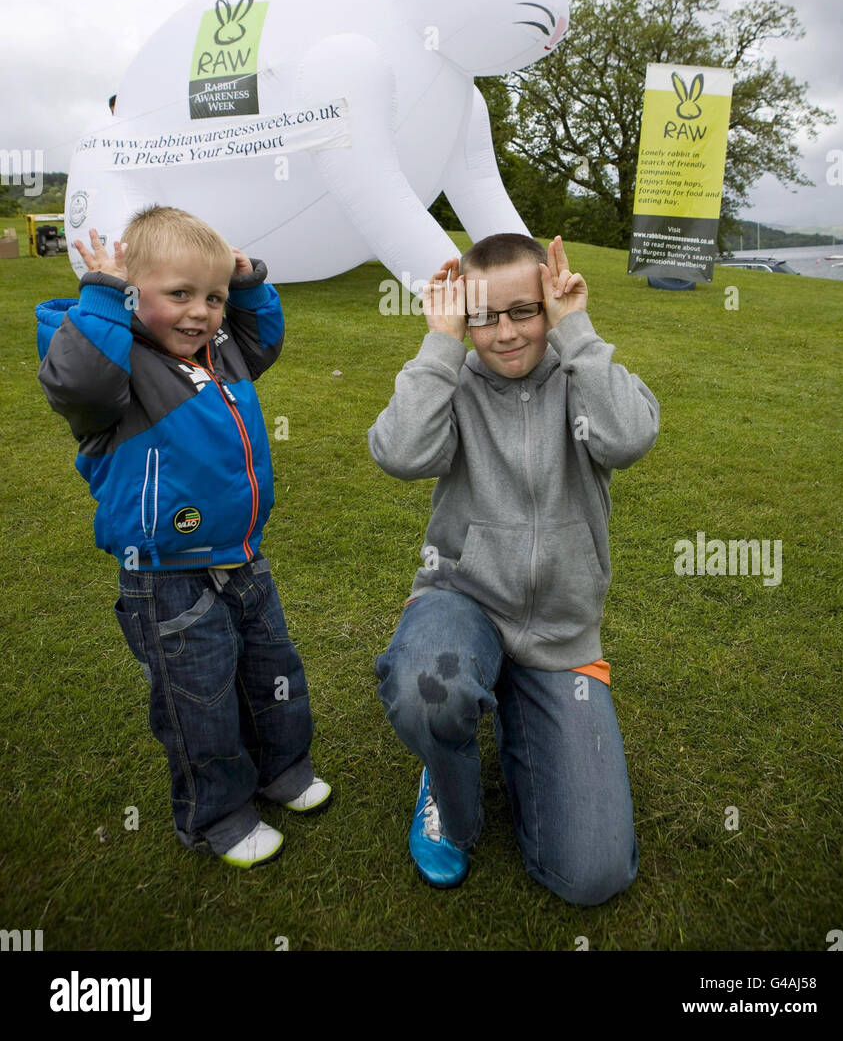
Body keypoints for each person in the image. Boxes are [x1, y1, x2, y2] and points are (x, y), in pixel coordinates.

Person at [35, 206, 330, 868]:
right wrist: (103, 298)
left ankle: (282, 772)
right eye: (179, 294)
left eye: (214, 296)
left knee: (271, 673)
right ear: (129, 292)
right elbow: (76, 382)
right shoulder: (111, 367)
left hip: (242, 557)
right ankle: (218, 815)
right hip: (164, 576)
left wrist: (249, 283)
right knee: (199, 701)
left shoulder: (220, 351)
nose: (201, 312)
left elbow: (263, 338)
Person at [369, 233, 659, 902]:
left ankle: (511, 709)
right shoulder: (453, 380)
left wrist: (577, 333)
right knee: (427, 690)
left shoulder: (583, 375)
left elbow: (626, 437)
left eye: (522, 312)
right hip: (460, 600)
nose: (503, 334)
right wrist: (440, 342)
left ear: (550, 305)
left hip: (558, 637)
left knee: (590, 874)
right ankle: (446, 790)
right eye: (482, 316)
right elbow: (399, 452)